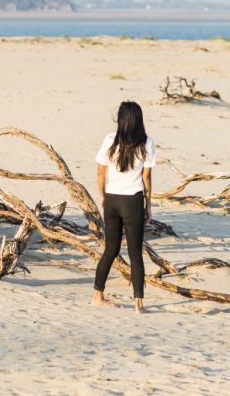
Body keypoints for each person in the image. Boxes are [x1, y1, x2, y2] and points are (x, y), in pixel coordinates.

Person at [91, 101, 156, 314]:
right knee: (135, 253)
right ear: (139, 120)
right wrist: (148, 204)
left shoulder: (110, 140)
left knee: (110, 250)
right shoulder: (146, 142)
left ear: (121, 120)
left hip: (111, 199)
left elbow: (101, 172)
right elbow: (146, 177)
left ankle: (97, 296)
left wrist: (102, 196)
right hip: (133, 201)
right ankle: (139, 305)